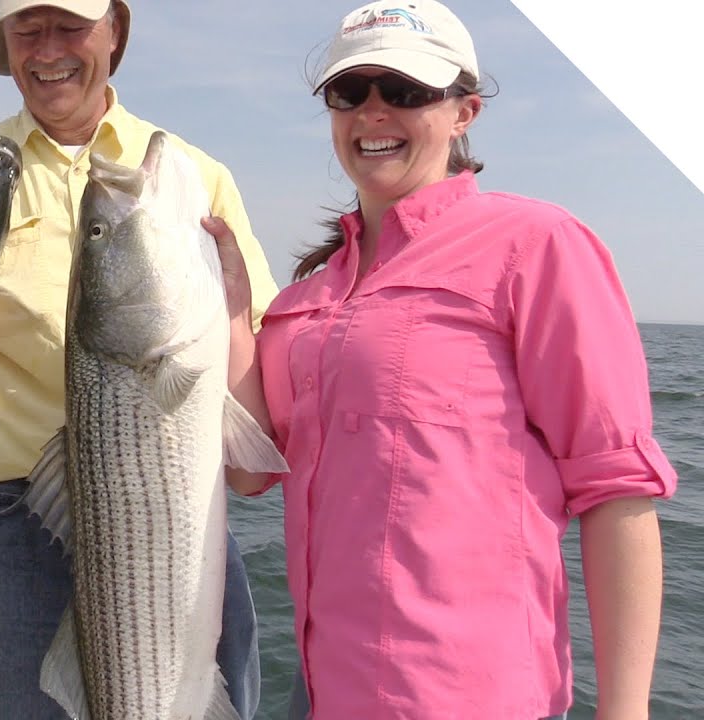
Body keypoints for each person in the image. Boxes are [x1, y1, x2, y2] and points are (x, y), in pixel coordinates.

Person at [209, 1, 678, 718]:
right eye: (351, 91)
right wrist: (237, 310)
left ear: (465, 112)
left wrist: (627, 711)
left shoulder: (535, 246)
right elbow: (248, 471)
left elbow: (616, 488)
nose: (373, 112)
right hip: (328, 692)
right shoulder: (303, 303)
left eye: (405, 92)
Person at [0, 1, 281, 718]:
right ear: (6, 44)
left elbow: (253, 342)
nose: (48, 48)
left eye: (71, 26)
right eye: (28, 30)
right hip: (1, 518)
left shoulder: (191, 171)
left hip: (169, 505)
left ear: (114, 34)